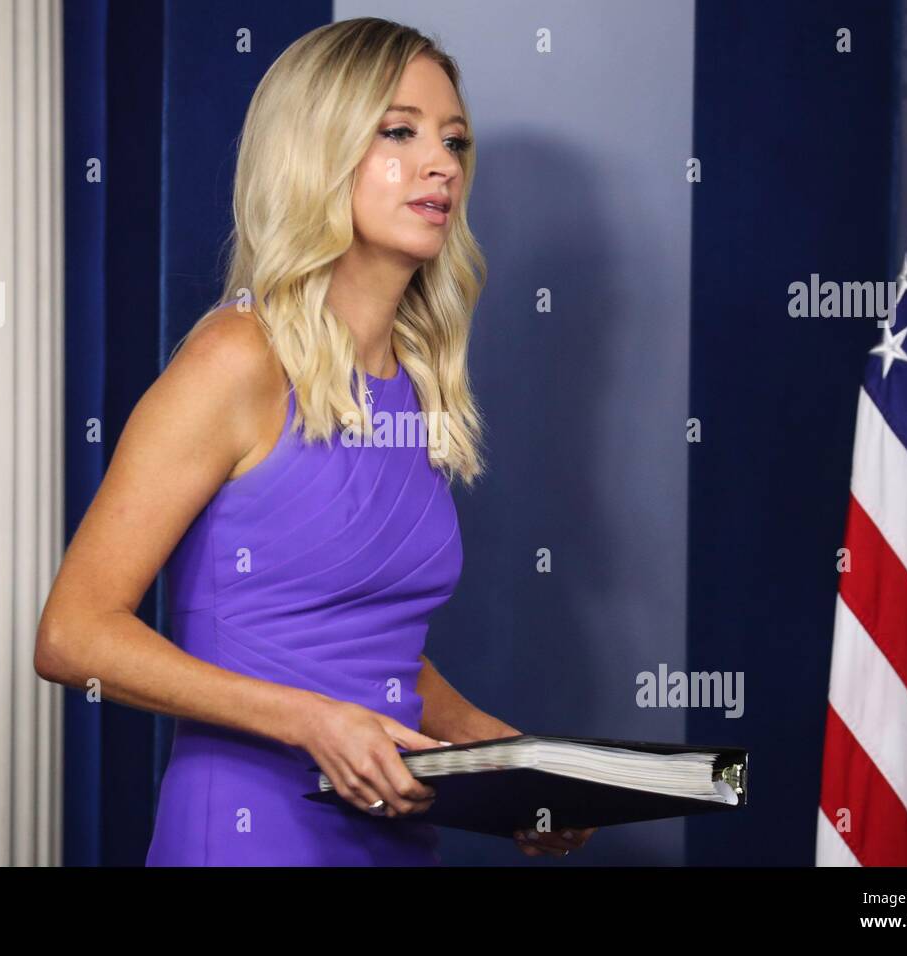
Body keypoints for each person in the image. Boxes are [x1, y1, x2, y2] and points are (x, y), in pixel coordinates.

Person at [35, 16, 594, 865]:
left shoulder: (418, 377)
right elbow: (73, 635)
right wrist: (310, 720)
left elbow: (365, 644)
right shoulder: (236, 357)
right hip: (249, 831)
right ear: (319, 149)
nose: (441, 162)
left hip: (395, 833)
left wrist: (508, 758)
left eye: (454, 139)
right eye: (399, 132)